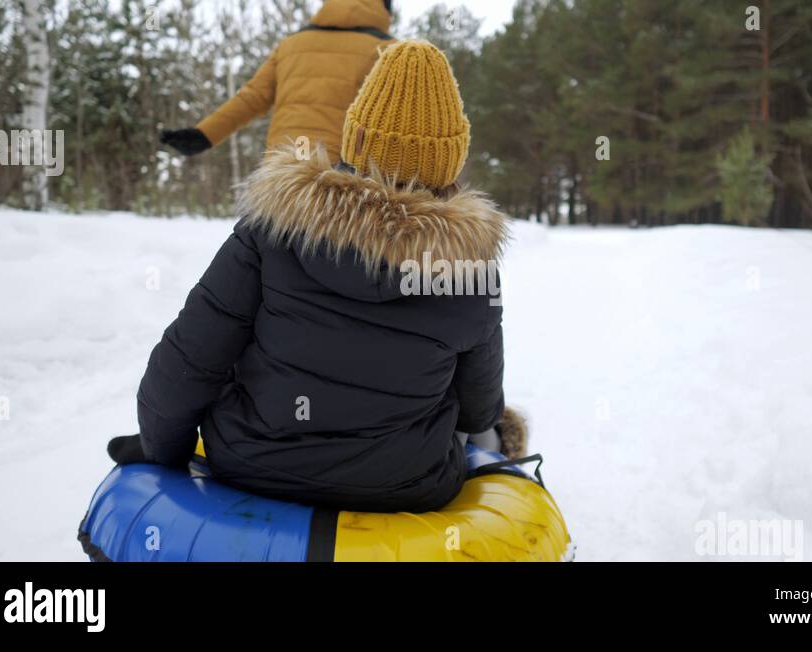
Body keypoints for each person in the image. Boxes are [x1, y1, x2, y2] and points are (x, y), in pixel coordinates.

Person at [109, 40, 527, 513]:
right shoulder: (471, 269)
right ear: (450, 162)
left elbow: (187, 360)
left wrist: (162, 453)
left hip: (249, 464)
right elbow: (478, 405)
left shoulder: (272, 232)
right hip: (405, 482)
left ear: (354, 138)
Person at [160, 0, 396, 160]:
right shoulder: (389, 51)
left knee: (266, 233)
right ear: (384, 8)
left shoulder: (292, 45)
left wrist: (204, 134)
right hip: (344, 173)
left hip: (284, 168)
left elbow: (252, 97)